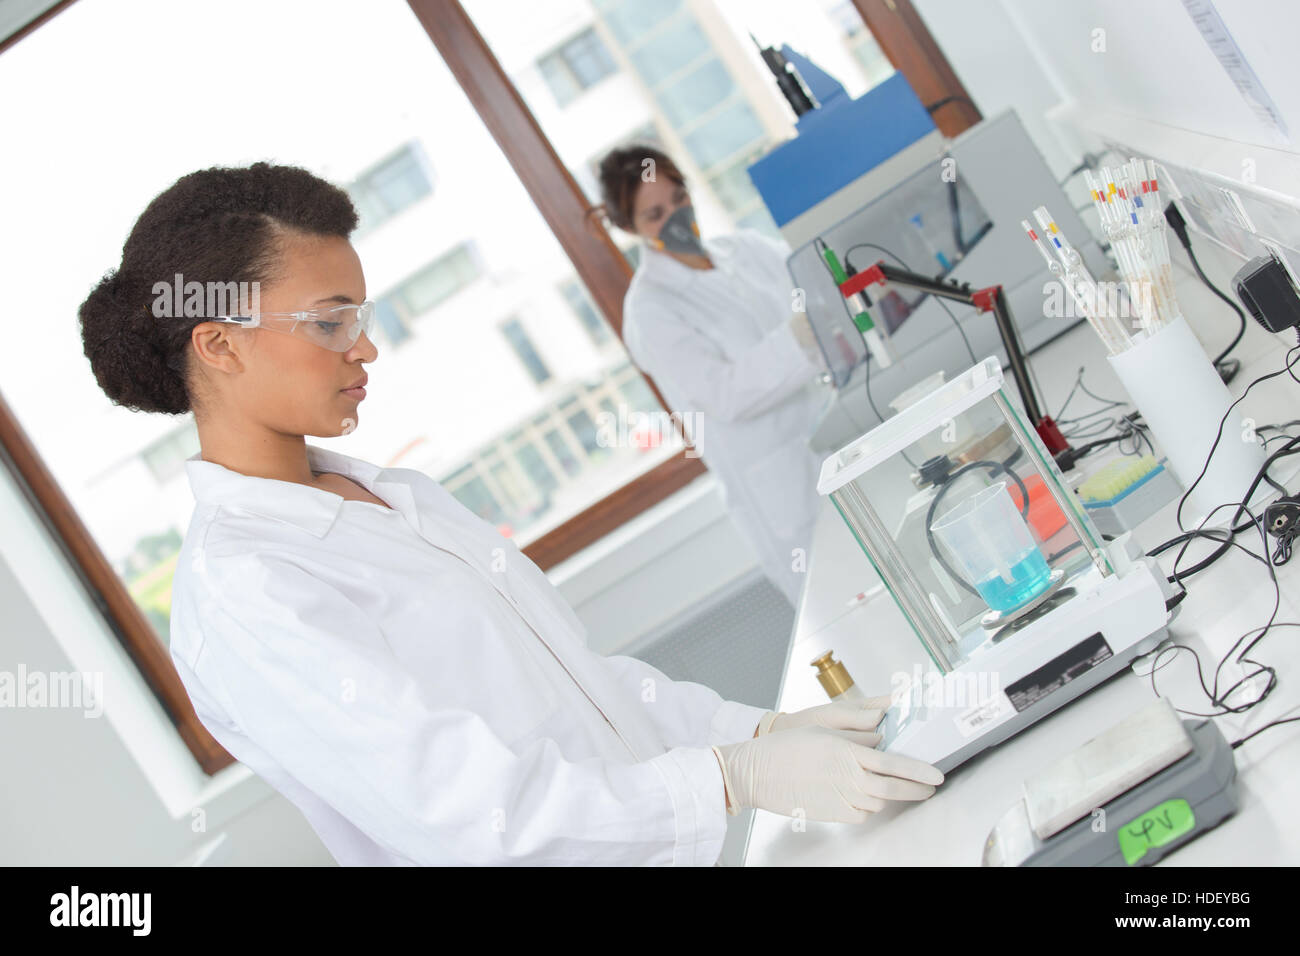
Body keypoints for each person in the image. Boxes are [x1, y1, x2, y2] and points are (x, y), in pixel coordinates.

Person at [78, 162, 943, 866]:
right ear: (219, 343)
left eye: (362, 317)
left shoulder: (388, 496)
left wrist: (756, 729)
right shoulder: (246, 592)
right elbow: (473, 812)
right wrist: (734, 774)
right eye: (330, 323)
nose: (366, 347)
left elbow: (581, 689)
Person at [595, 145, 830, 610]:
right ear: (628, 228)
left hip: (837, 443)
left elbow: (820, 280)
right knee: (849, 624)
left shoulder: (742, 249)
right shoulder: (651, 310)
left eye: (679, 199)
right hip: (787, 496)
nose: (676, 218)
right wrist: (798, 337)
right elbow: (725, 395)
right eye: (655, 214)